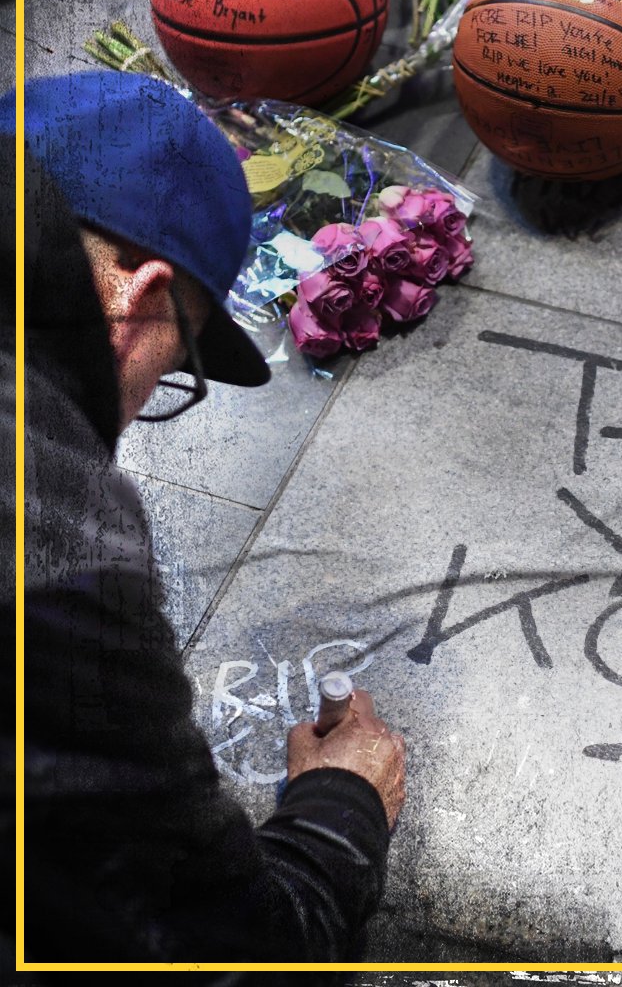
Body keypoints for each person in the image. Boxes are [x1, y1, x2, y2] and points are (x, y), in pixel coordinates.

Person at [0, 71, 405, 968]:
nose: (141, 404)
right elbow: (220, 952)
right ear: (138, 300)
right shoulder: (54, 524)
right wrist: (340, 811)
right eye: (174, 366)